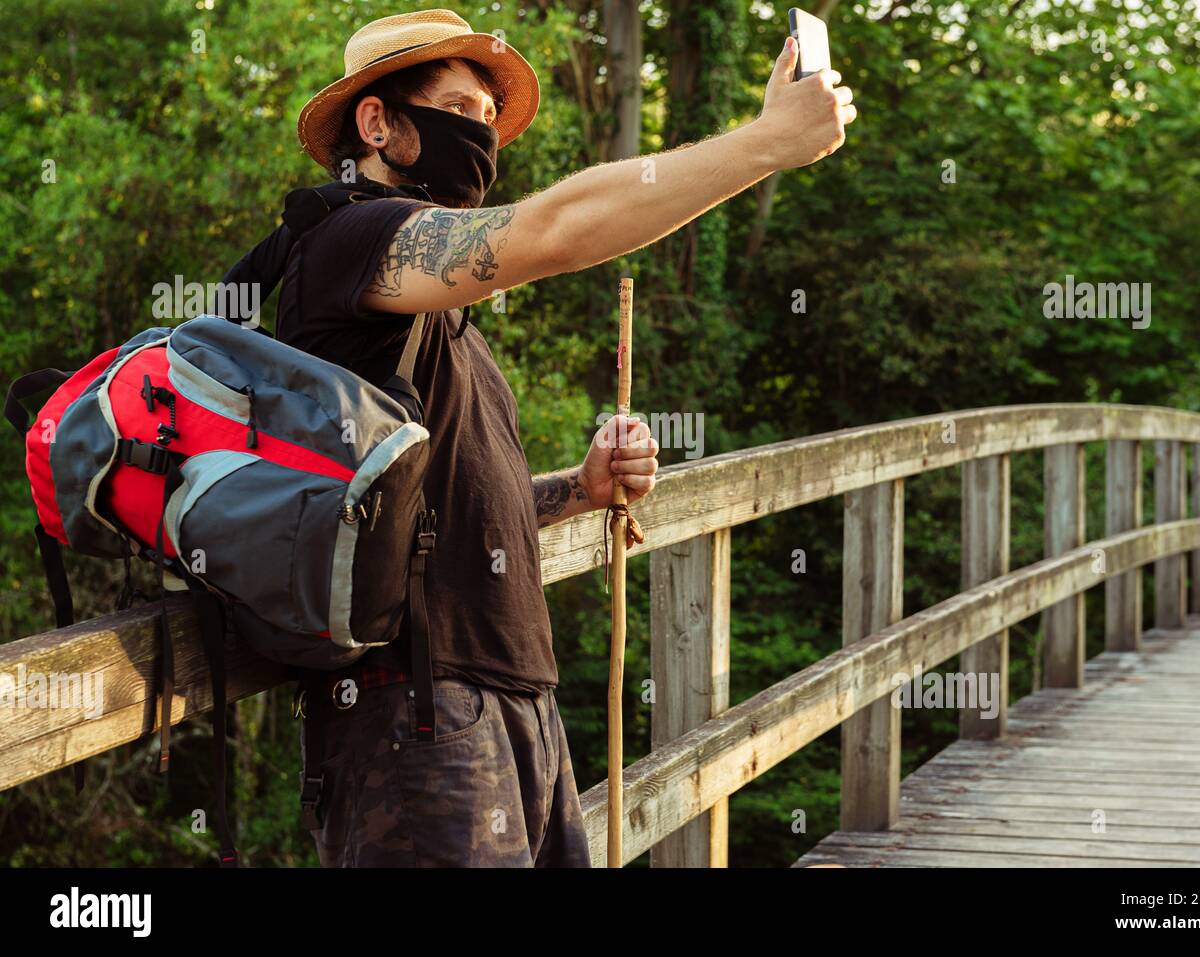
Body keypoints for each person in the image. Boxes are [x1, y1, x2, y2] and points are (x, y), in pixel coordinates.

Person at [236, 6, 853, 867]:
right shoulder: (346, 240)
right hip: (415, 708)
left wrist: (581, 488)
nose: (482, 135)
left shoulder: (439, 316)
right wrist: (764, 143)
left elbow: (439, 512)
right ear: (378, 124)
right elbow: (555, 230)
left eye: (491, 118)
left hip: (509, 691)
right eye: (459, 107)